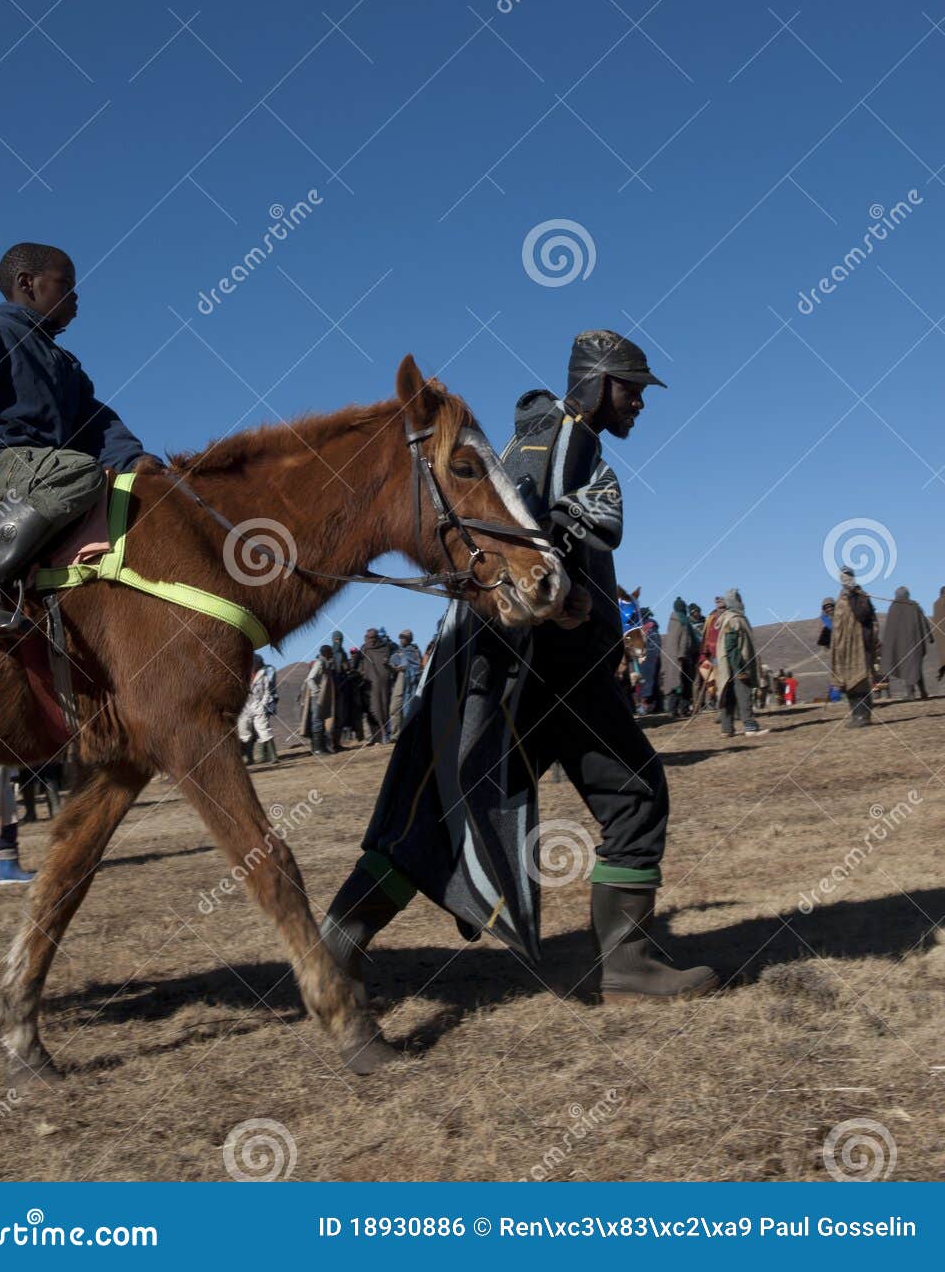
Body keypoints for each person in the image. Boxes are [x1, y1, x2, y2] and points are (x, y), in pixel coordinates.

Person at [321, 330, 718, 1003]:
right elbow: (512, 545)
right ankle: (624, 965)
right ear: (594, 383)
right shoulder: (552, 443)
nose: (637, 403)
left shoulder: (557, 442)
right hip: (546, 671)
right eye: (630, 388)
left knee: (452, 810)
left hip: (553, 672)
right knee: (633, 792)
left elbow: (553, 536)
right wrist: (563, 604)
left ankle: (339, 940)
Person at [0, 242, 156, 632]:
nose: (76, 298)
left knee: (121, 491)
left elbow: (96, 422)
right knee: (81, 473)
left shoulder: (63, 362)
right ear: (28, 283)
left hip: (45, 469)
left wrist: (135, 461)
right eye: (66, 286)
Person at [829, 568, 879, 729]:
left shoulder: (860, 596)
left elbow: (864, 615)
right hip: (843, 647)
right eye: (843, 577)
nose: (846, 580)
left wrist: (856, 595)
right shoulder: (841, 598)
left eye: (848, 577)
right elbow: (838, 623)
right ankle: (855, 714)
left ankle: (863, 715)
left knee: (860, 680)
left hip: (859, 644)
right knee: (847, 679)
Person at [716, 589, 766, 737]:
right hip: (737, 664)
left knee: (728, 694)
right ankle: (750, 727)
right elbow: (731, 646)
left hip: (729, 664)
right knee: (743, 694)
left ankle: (727, 729)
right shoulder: (734, 619)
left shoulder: (729, 618)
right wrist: (740, 668)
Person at [880, 588, 931, 702]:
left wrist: (890, 645)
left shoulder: (893, 607)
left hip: (901, 645)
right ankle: (921, 691)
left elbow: (889, 630)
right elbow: (925, 623)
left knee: (909, 668)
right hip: (916, 643)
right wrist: (930, 637)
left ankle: (912, 693)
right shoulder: (915, 606)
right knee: (914, 668)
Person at [237, 657, 280, 765]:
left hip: (258, 706)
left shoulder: (263, 676)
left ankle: (274, 757)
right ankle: (249, 758)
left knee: (264, 729)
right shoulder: (241, 676)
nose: (255, 665)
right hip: (244, 708)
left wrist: (263, 704)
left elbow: (267, 692)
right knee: (244, 733)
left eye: (257, 664)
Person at [660, 597, 697, 718]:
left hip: (670, 658)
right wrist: (683, 655)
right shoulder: (683, 621)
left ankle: (672, 710)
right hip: (682, 657)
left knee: (673, 685)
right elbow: (685, 640)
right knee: (683, 684)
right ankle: (684, 709)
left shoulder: (671, 621)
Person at [358, 629, 395, 744]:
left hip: (384, 684)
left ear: (377, 638)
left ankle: (385, 735)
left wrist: (386, 663)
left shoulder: (385, 648)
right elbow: (360, 666)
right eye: (369, 638)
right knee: (374, 709)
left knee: (384, 708)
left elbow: (390, 664)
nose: (371, 641)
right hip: (370, 684)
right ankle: (379, 735)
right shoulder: (364, 649)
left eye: (373, 638)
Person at [387, 631, 422, 739]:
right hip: (400, 679)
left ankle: (410, 734)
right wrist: (388, 665)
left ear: (409, 639)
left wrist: (407, 668)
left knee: (410, 708)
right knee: (394, 708)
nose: (401, 639)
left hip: (412, 681)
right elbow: (393, 669)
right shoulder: (397, 653)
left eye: (404, 637)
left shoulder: (415, 651)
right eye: (400, 637)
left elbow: (418, 666)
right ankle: (395, 735)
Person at [303, 645, 338, 754]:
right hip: (317, 698)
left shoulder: (325, 663)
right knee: (317, 721)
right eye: (330, 652)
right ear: (326, 653)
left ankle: (321, 747)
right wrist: (317, 692)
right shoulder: (319, 663)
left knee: (320, 720)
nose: (332, 653)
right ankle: (318, 749)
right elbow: (310, 679)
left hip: (322, 698)